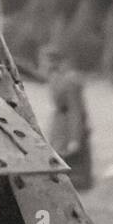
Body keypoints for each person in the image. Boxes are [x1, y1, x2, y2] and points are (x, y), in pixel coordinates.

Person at [43, 45, 93, 190]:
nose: (45, 65)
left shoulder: (70, 81)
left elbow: (75, 111)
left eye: (47, 61)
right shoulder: (54, 78)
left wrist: (75, 139)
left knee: (69, 160)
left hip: (67, 125)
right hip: (58, 123)